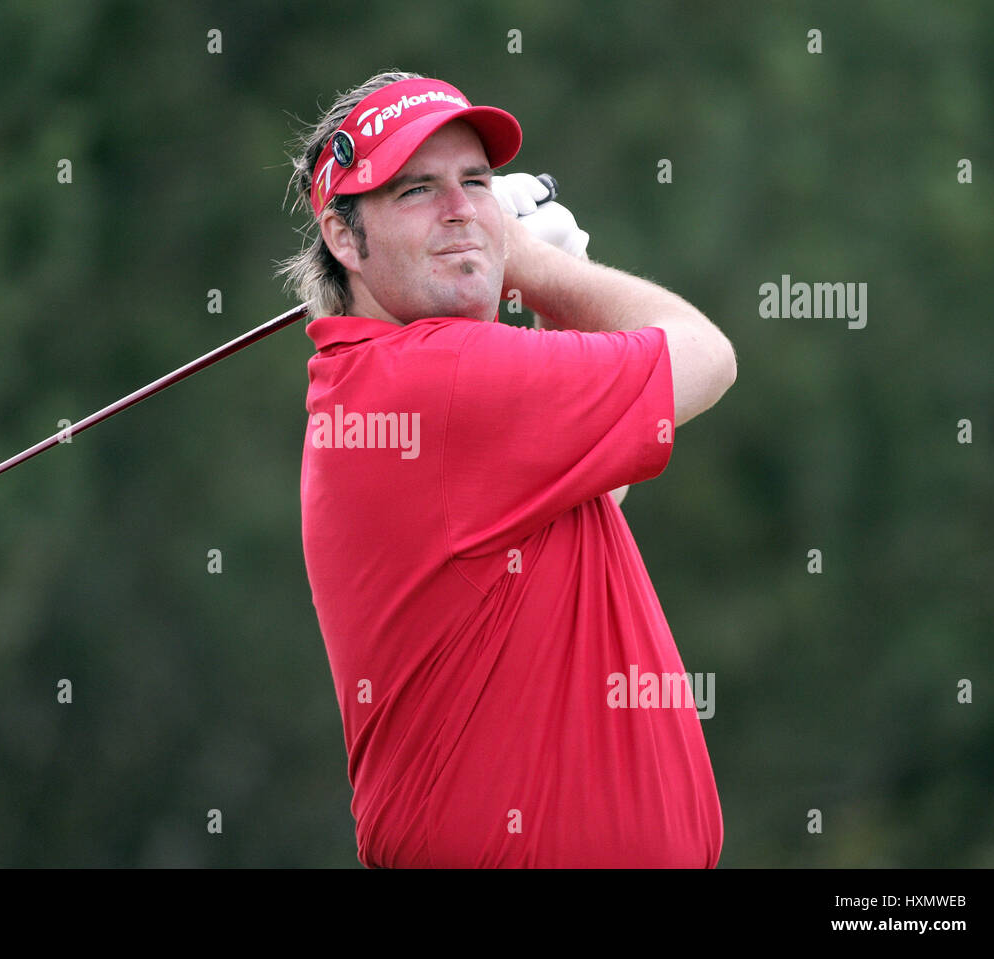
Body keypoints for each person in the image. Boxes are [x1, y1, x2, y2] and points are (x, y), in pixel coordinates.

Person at [281, 71, 736, 868]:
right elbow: (708, 357)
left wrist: (545, 293)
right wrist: (537, 267)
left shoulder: (382, 385)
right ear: (345, 239)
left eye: (477, 183)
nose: (459, 209)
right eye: (417, 190)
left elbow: (595, 489)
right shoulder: (439, 378)